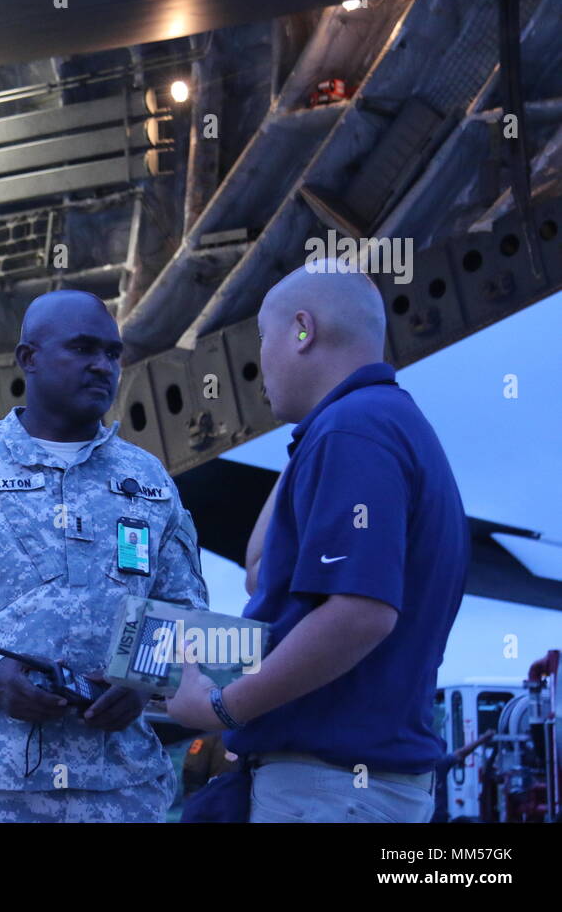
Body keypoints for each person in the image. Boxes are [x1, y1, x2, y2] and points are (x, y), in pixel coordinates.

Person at [0, 289, 208, 822]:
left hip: (118, 792)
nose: (102, 366)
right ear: (28, 358)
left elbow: (182, 607)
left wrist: (141, 682)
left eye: (112, 354)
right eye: (82, 349)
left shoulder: (147, 479)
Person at [167, 260, 470, 822]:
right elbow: (261, 570)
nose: (259, 364)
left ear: (302, 330)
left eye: (263, 337)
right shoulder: (367, 425)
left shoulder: (356, 430)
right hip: (350, 788)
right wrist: (309, 431)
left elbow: (360, 615)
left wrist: (221, 707)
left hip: (329, 792)